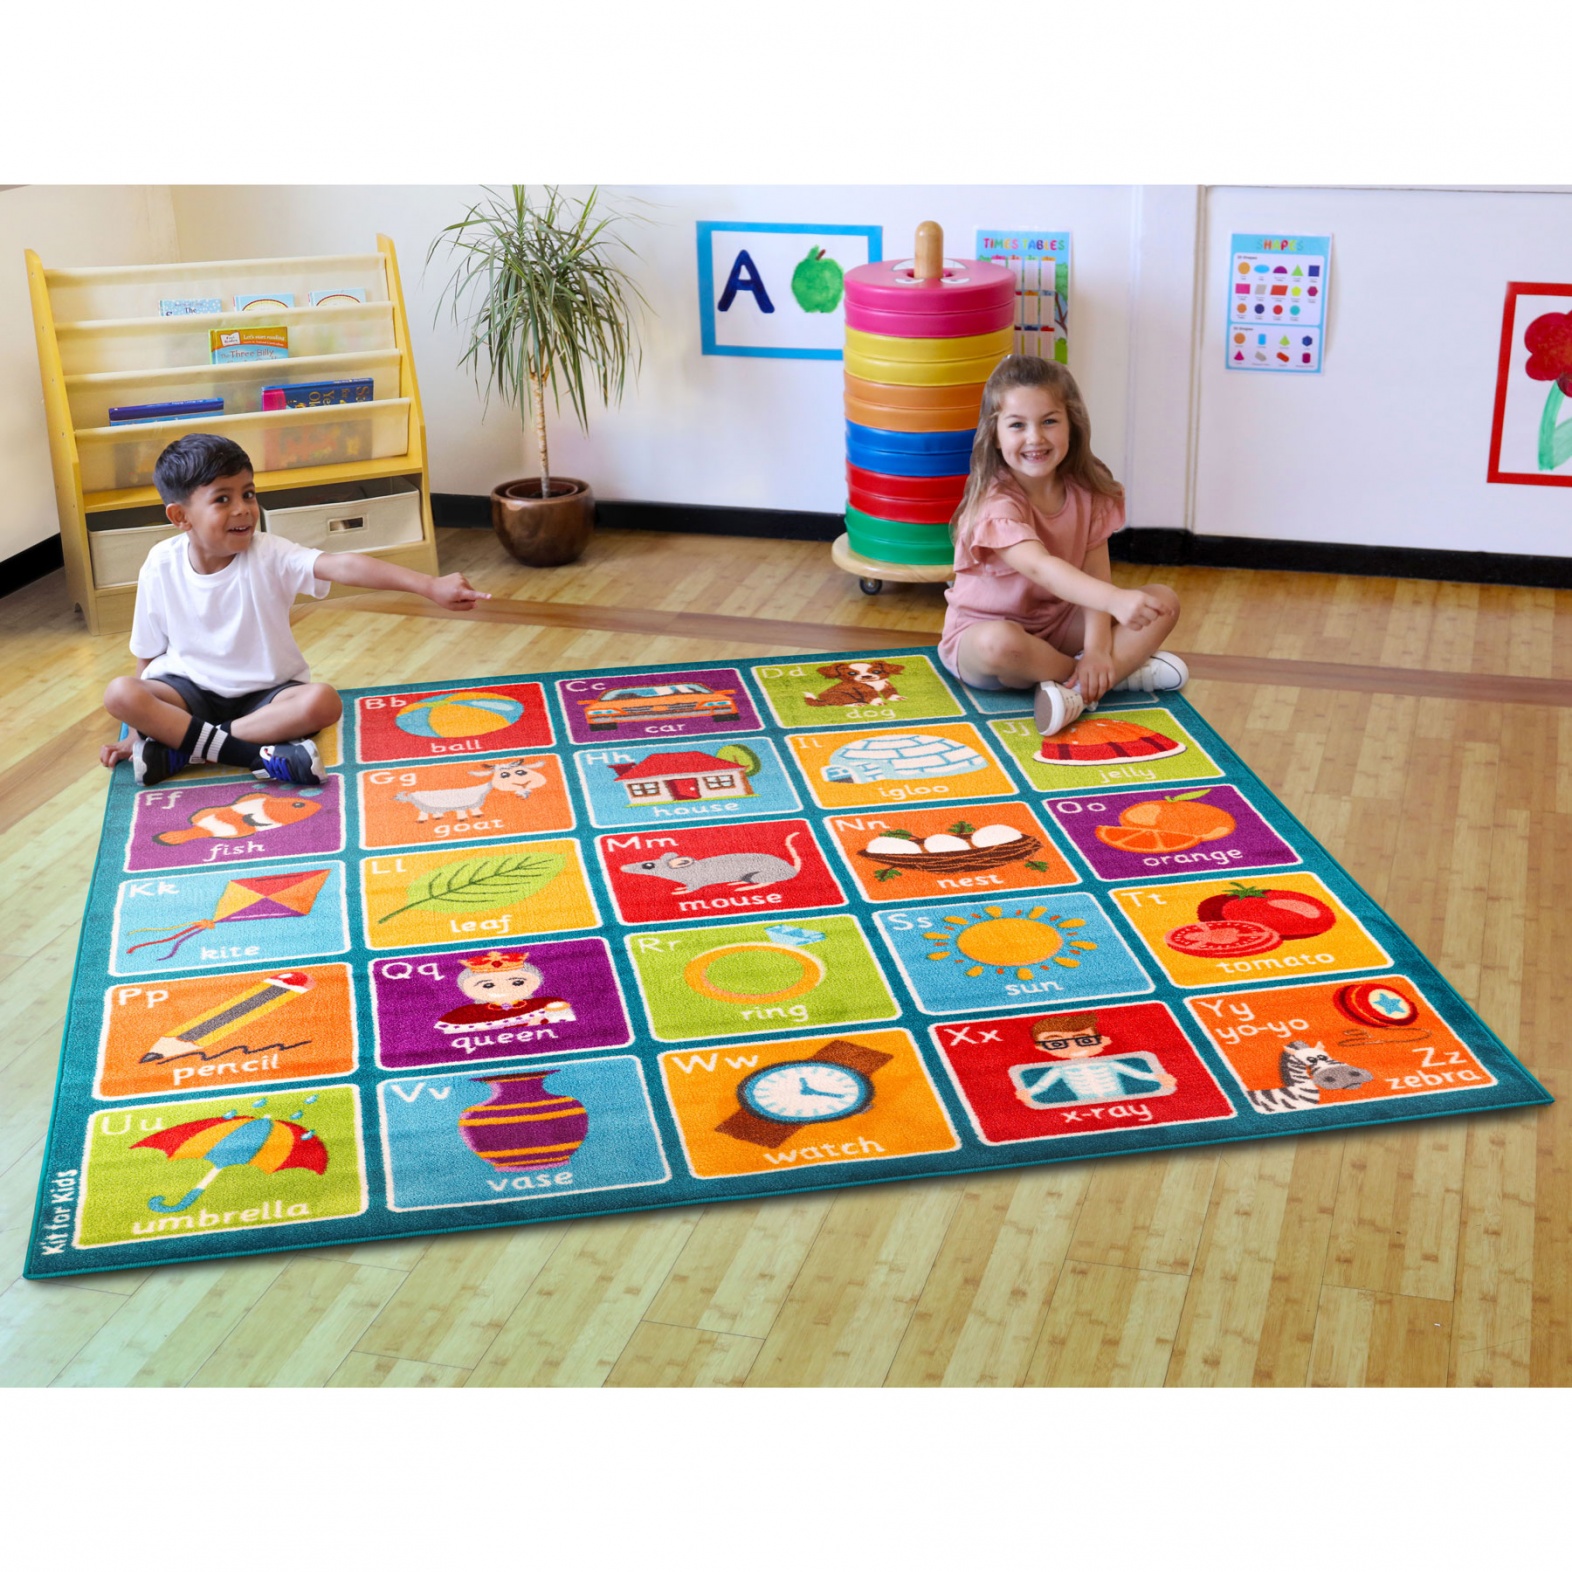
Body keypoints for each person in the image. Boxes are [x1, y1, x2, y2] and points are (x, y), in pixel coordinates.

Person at [99, 433, 490, 786]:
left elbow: (343, 566)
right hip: (188, 691)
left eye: (248, 493)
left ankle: (184, 746)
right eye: (223, 499)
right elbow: (148, 653)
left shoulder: (270, 553)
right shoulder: (160, 563)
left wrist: (429, 586)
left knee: (323, 702)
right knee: (121, 694)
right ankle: (249, 755)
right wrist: (136, 731)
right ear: (180, 516)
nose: (243, 509)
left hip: (267, 696)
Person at [935, 356, 1186, 737]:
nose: (1035, 438)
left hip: (1058, 625)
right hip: (985, 637)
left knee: (1163, 602)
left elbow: (1094, 572)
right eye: (1017, 425)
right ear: (995, 435)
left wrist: (1099, 648)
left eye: (1049, 421)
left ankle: (1088, 680)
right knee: (997, 644)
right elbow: (1041, 568)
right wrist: (1114, 601)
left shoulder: (1090, 489)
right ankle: (1101, 679)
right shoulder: (996, 504)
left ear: (1072, 424)